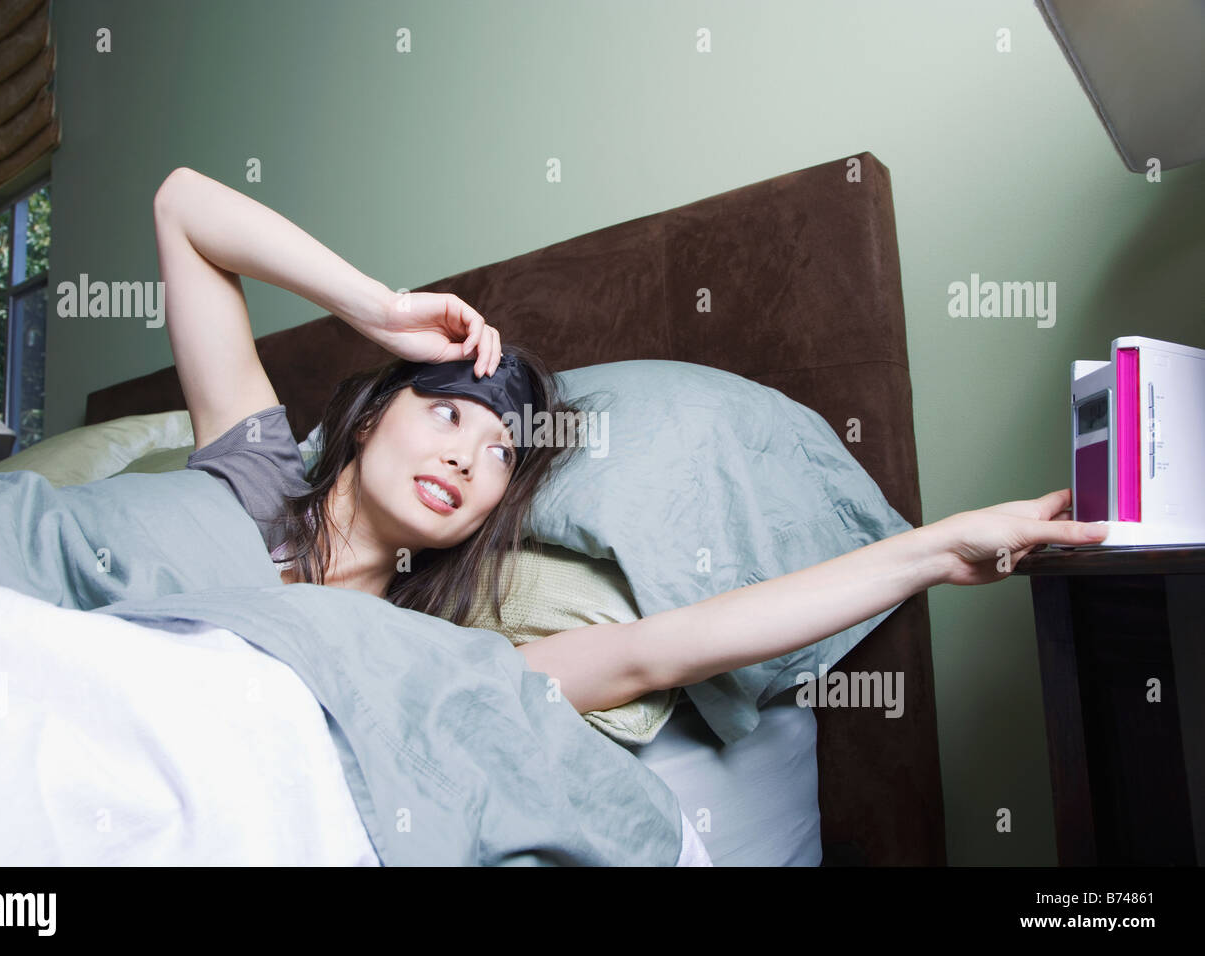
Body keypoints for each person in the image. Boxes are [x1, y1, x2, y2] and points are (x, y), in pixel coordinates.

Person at [155, 167, 1110, 719]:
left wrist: (936, 548)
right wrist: (382, 309)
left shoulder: (424, 655)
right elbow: (184, 206)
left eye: (500, 454)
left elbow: (666, 650)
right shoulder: (254, 472)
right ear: (368, 418)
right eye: (447, 413)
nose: (464, 458)